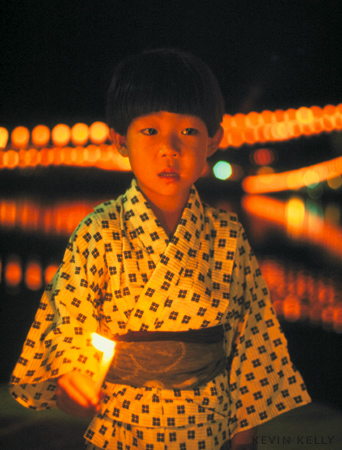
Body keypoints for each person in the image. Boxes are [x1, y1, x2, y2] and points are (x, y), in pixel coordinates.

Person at [9, 48, 311, 450]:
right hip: (122, 423)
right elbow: (69, 321)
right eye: (149, 131)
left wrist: (244, 430)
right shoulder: (98, 231)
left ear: (213, 141)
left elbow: (252, 336)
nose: (170, 148)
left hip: (208, 423)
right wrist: (72, 379)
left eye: (188, 131)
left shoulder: (227, 234)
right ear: (120, 140)